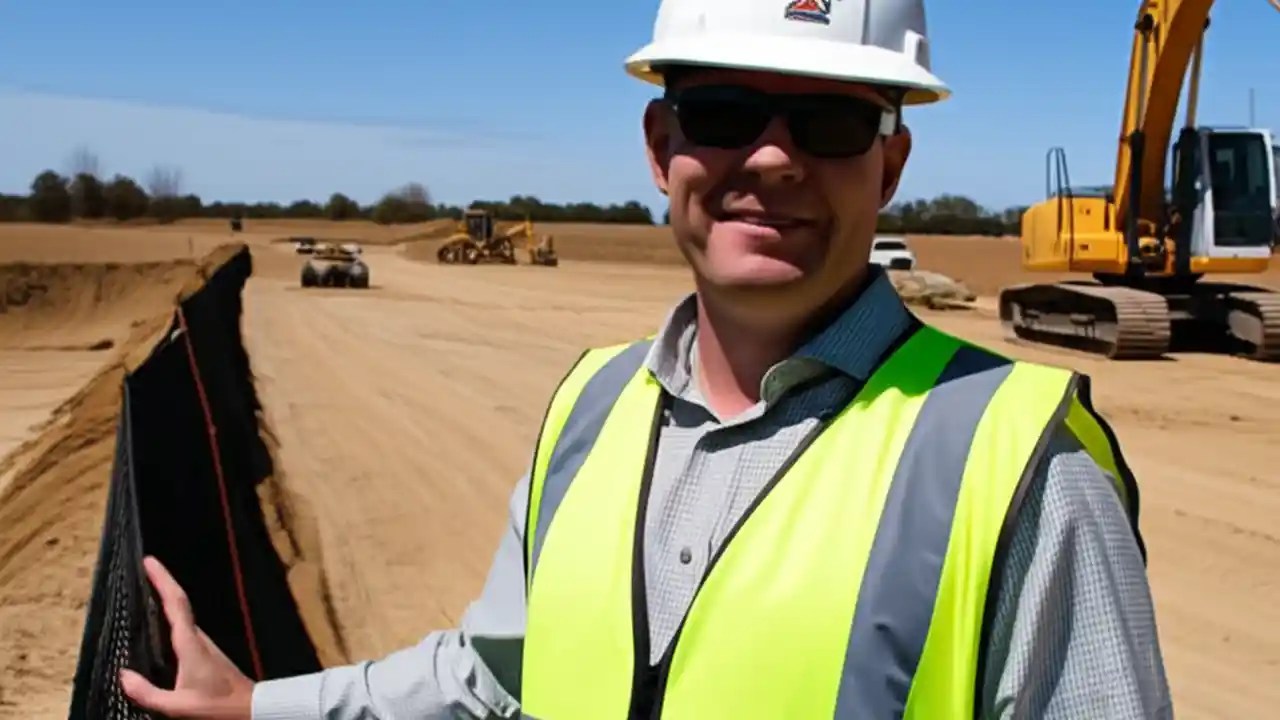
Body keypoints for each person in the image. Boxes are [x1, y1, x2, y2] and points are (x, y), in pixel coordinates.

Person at [121, 0, 1174, 717]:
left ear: (889, 164)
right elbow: (496, 683)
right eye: (721, 114)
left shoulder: (1019, 460)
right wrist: (258, 703)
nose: (769, 157)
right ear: (658, 144)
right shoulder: (592, 405)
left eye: (829, 123)